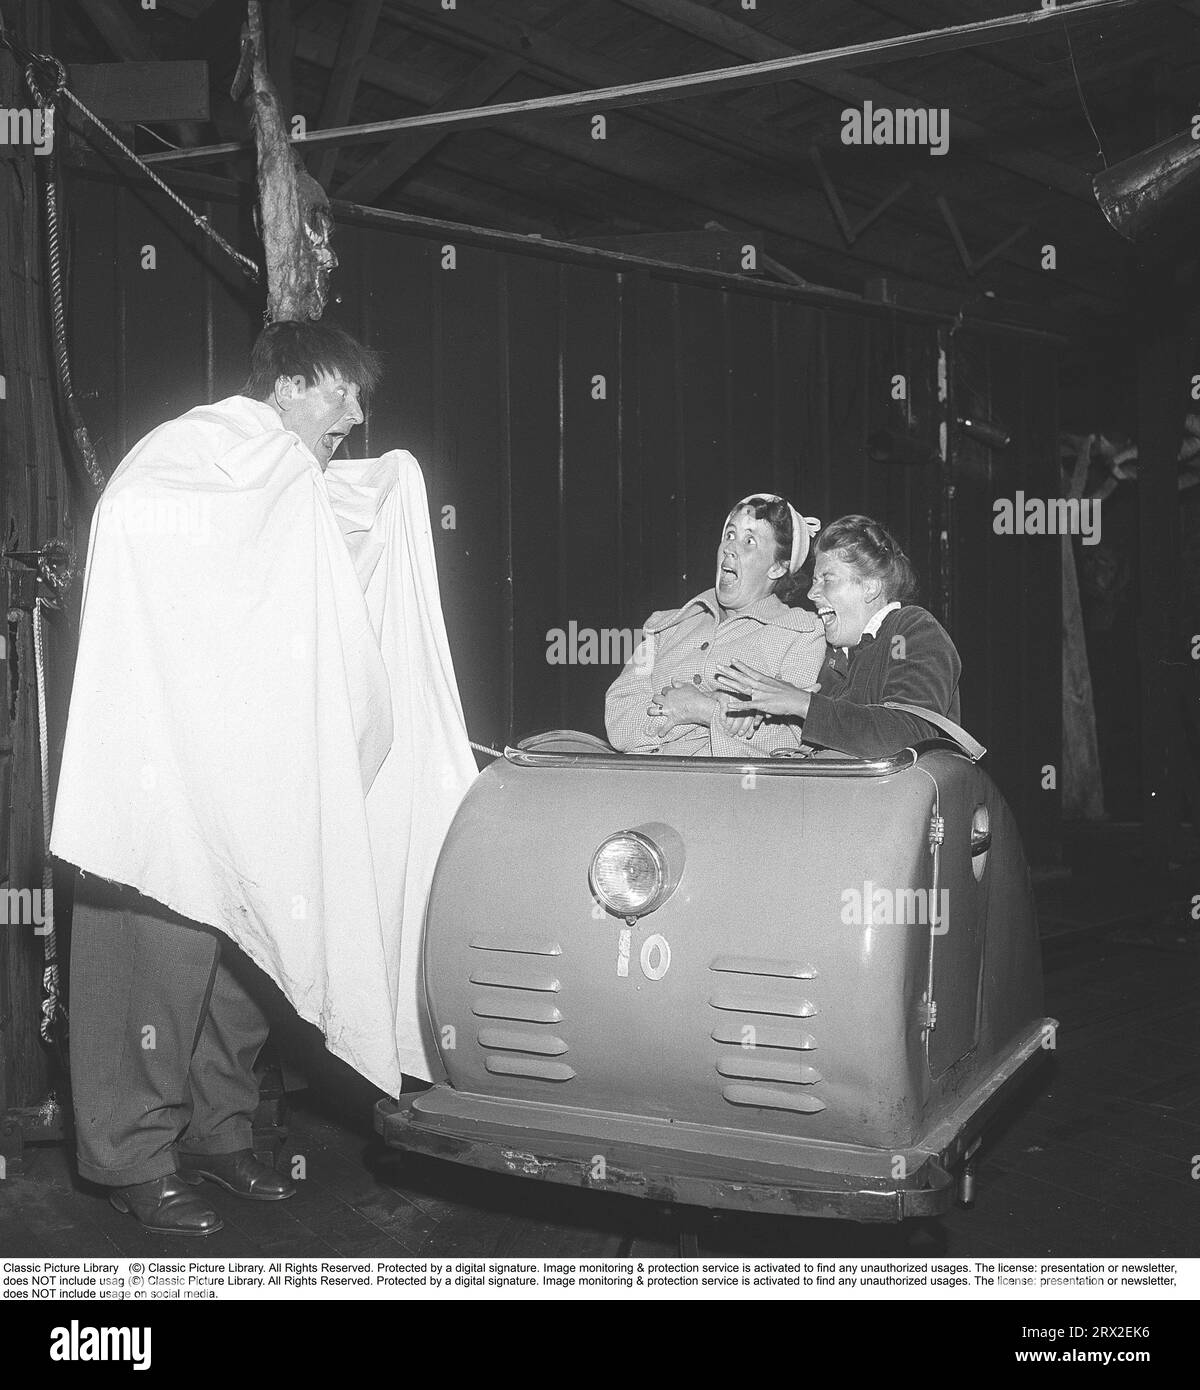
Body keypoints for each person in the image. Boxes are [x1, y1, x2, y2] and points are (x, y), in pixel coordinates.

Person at [51, 321, 477, 1236]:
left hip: (250, 776)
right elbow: (141, 531)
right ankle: (133, 1155)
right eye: (340, 392)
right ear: (285, 385)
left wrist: (388, 485)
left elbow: (319, 553)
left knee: (252, 963)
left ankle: (217, 1132)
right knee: (151, 964)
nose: (355, 414)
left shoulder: (286, 477)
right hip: (165, 776)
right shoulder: (198, 451)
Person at [714, 513, 962, 758]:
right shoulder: (834, 655)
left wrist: (801, 703)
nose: (812, 593)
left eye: (827, 579)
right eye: (813, 580)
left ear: (870, 587)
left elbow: (907, 734)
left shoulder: (907, 632)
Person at [606, 494, 826, 756]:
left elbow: (788, 742)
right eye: (730, 535)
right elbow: (618, 723)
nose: (730, 548)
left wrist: (702, 709)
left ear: (777, 567)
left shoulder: (802, 633)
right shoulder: (665, 626)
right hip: (639, 785)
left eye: (749, 541)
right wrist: (721, 714)